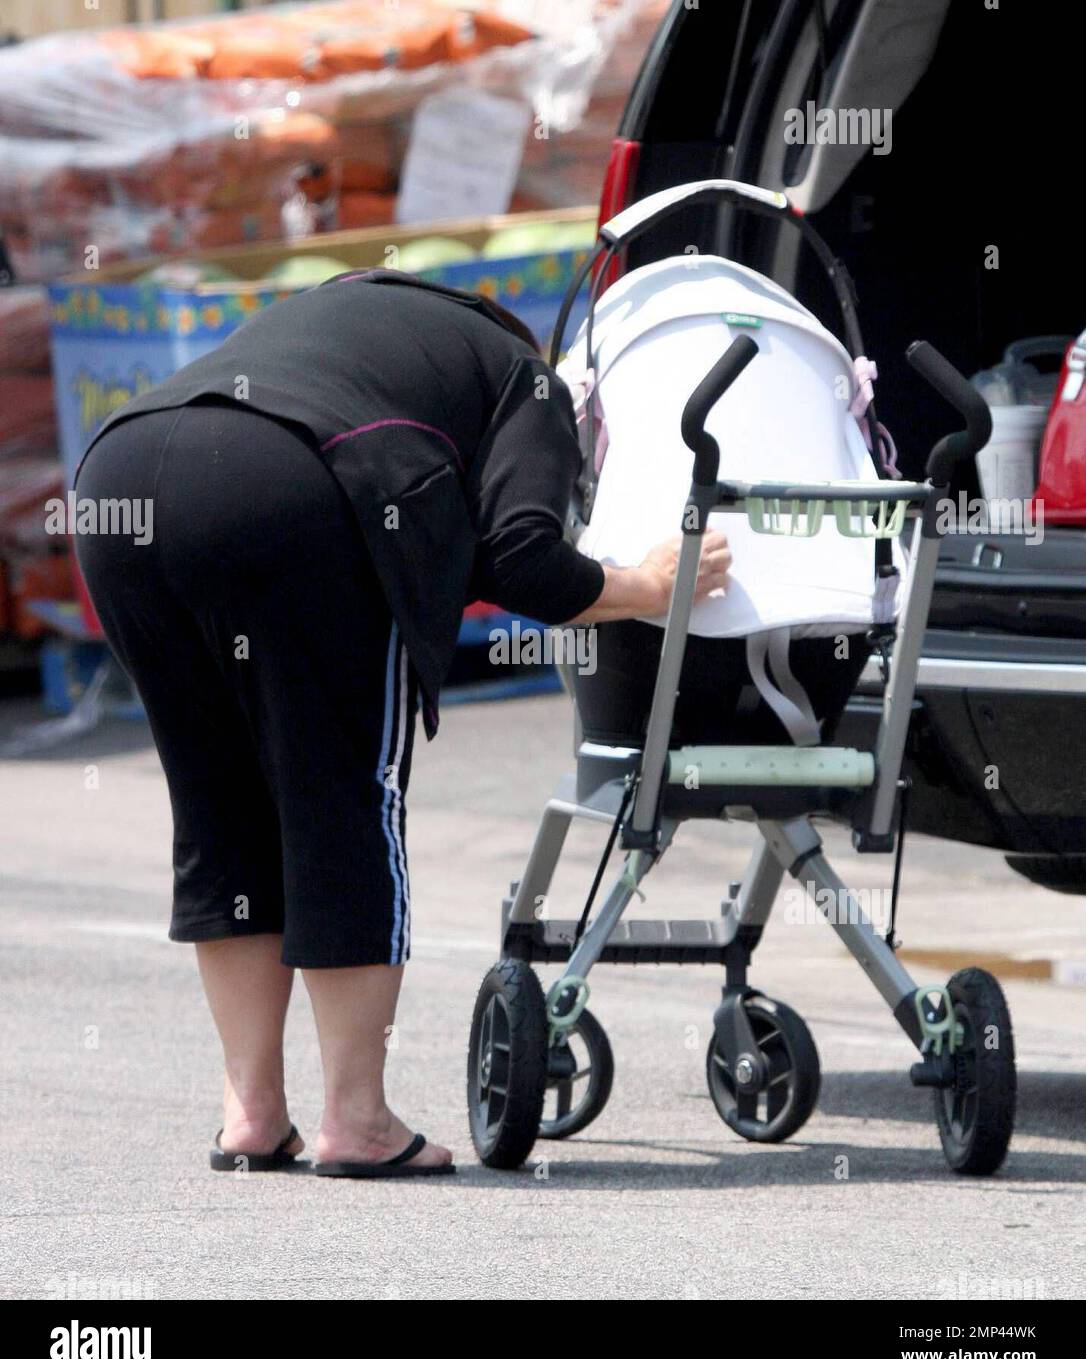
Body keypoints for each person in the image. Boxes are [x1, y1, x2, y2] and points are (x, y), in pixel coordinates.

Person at [73, 269, 730, 1178]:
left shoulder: (335, 320)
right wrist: (647, 586)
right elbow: (525, 557)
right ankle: (357, 1122)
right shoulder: (528, 377)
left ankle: (252, 1113)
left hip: (119, 480)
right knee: (342, 802)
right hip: (289, 490)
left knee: (221, 808)